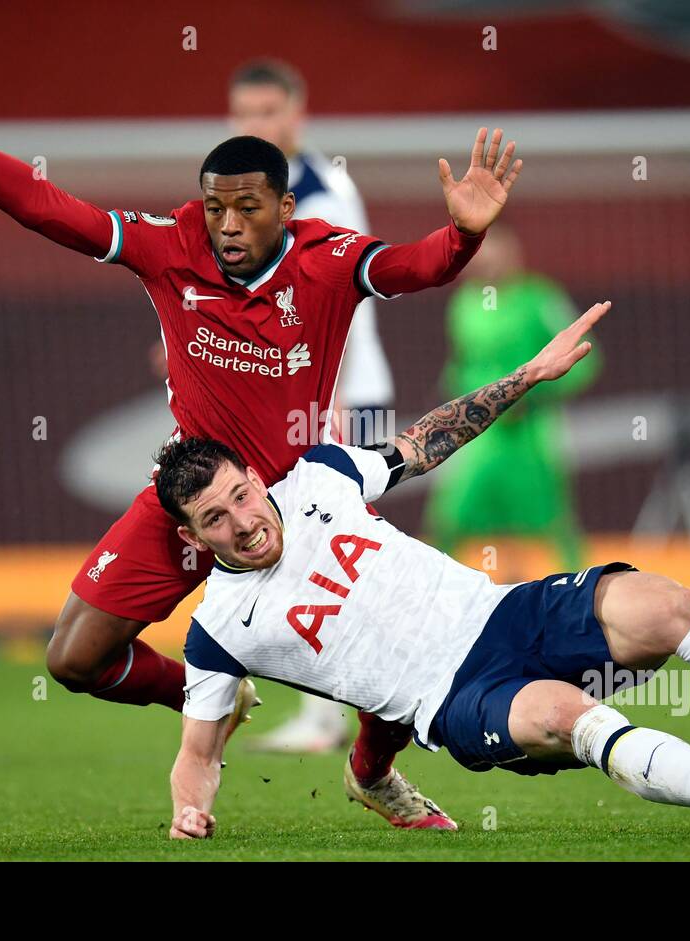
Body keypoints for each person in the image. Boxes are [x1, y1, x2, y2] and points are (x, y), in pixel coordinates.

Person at [0, 27, 522, 828]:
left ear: (286, 209)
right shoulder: (171, 245)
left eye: (246, 208)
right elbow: (50, 210)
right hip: (190, 497)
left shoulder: (326, 257)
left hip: (294, 504)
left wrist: (463, 234)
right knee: (73, 657)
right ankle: (212, 692)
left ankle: (371, 771)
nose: (225, 225)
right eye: (215, 207)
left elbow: (414, 268)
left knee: (391, 661)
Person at [155, 301, 690, 840]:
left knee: (670, 605)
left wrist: (527, 375)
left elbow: (426, 439)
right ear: (194, 536)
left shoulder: (318, 477)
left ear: (257, 480)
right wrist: (190, 813)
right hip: (455, 698)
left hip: (508, 610)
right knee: (570, 716)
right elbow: (197, 754)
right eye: (214, 520)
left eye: (239, 496)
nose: (243, 522)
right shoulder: (221, 628)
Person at [228, 58, 393, 753]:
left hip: (343, 396)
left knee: (332, 554)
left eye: (269, 111)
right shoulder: (249, 192)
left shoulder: (325, 192)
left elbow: (342, 305)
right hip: (305, 395)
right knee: (306, 550)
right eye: (244, 113)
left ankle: (343, 715)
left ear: (298, 112)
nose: (256, 125)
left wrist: (327, 401)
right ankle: (343, 713)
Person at [428, 223, 598, 577]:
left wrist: (533, 397)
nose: (485, 267)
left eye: (494, 258)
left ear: (514, 258)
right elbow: (460, 366)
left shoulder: (540, 299)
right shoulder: (463, 304)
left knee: (551, 521)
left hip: (530, 436)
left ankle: (583, 595)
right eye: (479, 259)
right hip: (479, 436)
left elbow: (587, 363)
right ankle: (434, 591)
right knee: (450, 515)